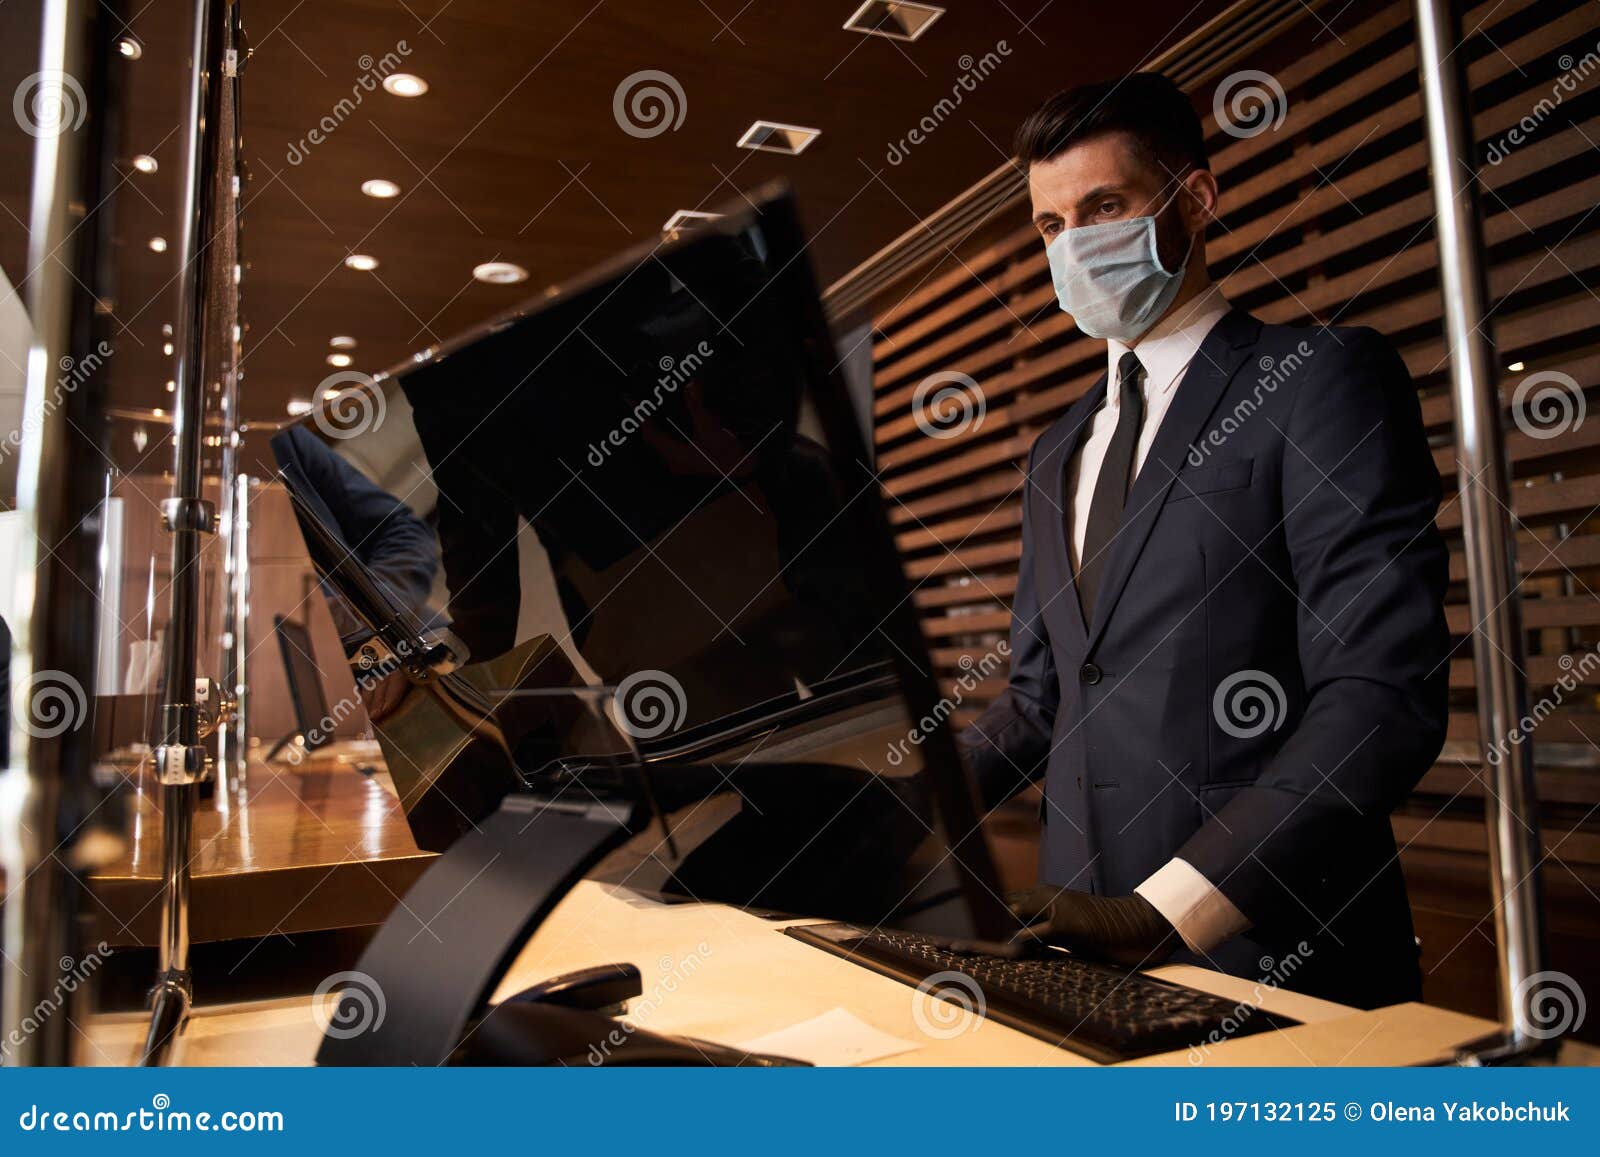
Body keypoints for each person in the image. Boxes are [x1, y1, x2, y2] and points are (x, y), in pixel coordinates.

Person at [956, 74, 1450, 1009]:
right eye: (1052, 225)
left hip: (1275, 949)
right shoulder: (1056, 450)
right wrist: (891, 809)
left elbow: (1381, 694)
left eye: (1104, 206)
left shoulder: (1317, 381)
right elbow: (1038, 698)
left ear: (1196, 196)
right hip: (1072, 944)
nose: (1076, 243)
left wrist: (1172, 905)